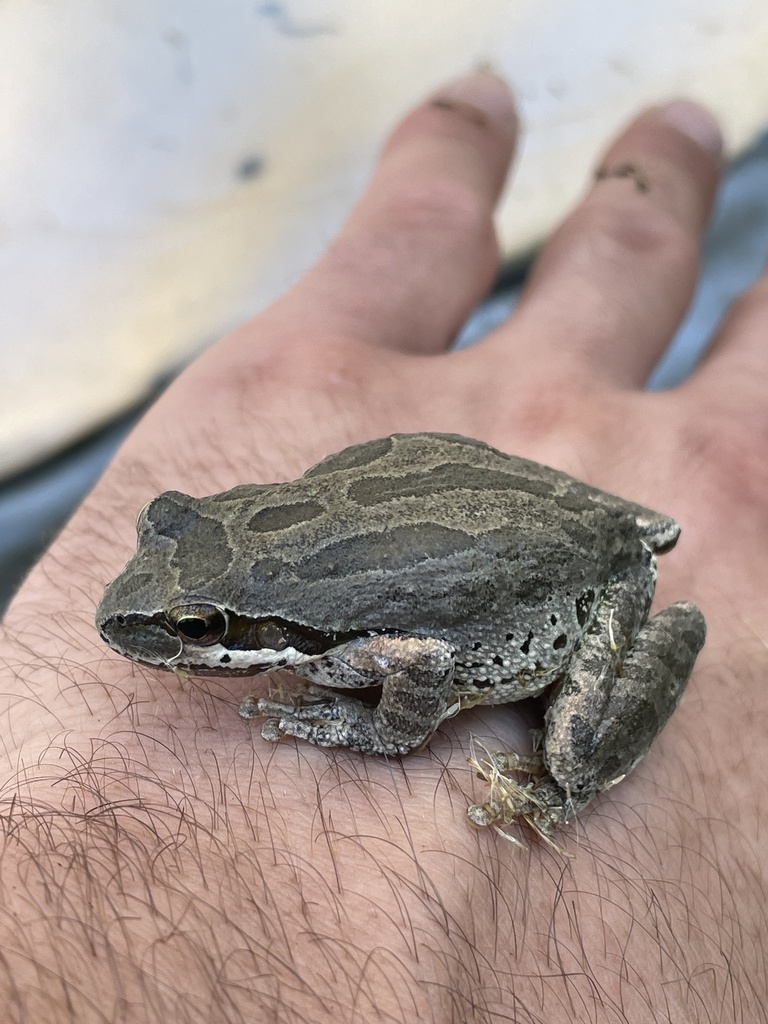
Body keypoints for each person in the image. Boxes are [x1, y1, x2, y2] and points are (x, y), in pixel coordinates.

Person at [0, 71, 764, 1022]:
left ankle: (573, 781)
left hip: (588, 582)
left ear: (255, 626)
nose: (170, 633)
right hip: (507, 514)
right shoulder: (295, 569)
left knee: (563, 762)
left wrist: (376, 731)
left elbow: (424, 665)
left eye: (197, 627)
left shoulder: (356, 638)